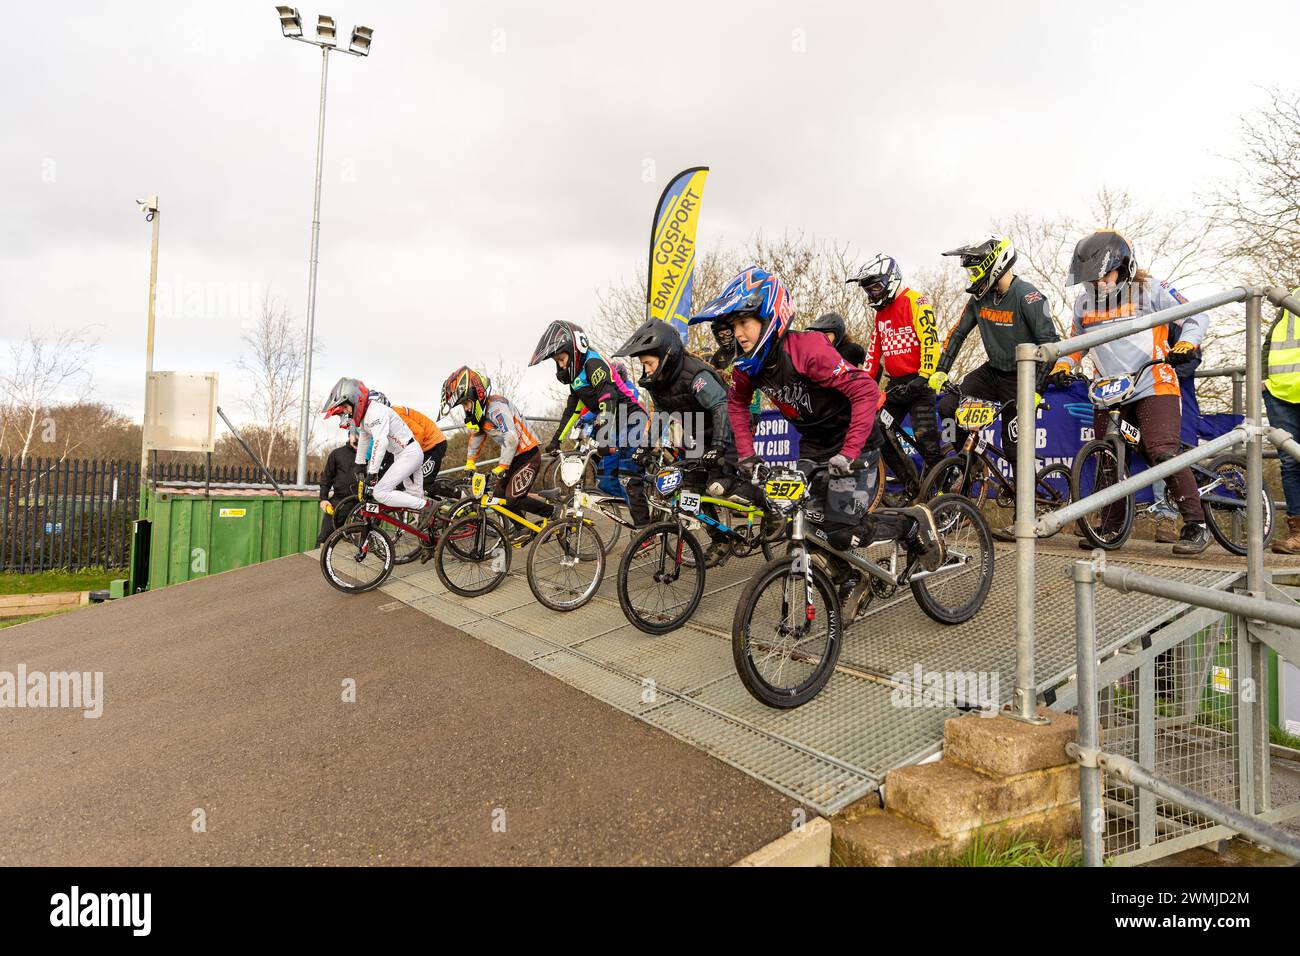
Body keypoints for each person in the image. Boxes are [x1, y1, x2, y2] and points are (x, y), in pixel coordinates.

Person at [690, 265, 942, 584]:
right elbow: (737, 404)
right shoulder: (746, 367)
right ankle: (849, 580)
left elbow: (865, 390)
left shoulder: (807, 350)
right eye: (733, 325)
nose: (738, 333)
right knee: (805, 523)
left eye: (744, 322)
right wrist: (747, 456)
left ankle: (911, 523)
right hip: (813, 445)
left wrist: (849, 453)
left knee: (842, 532)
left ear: (768, 316)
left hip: (855, 439)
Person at [1046, 230, 1210, 555]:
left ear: (1124, 267)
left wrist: (1187, 342)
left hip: (1153, 383)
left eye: (1103, 275)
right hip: (1110, 391)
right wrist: (1064, 364)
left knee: (1160, 450)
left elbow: (1198, 314)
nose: (1097, 284)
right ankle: (1111, 526)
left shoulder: (1151, 290)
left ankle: (1196, 524)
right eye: (1090, 279)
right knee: (1110, 455)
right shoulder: (1083, 304)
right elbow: (1075, 342)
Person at [930, 234, 1060, 541]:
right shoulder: (979, 299)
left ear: (996, 267)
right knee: (949, 405)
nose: (972, 278)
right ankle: (969, 465)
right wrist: (939, 371)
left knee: (1015, 445)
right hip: (993, 371)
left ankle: (1024, 518)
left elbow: (1052, 345)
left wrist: (1036, 387)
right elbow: (957, 335)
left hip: (1023, 376)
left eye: (976, 271)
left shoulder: (1028, 296)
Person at [615, 317, 743, 565]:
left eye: (649, 363)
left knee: (718, 486)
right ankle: (722, 539)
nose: (647, 370)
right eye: (643, 365)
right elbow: (662, 415)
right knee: (690, 491)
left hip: (730, 430)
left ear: (666, 355)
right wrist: (644, 447)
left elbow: (720, 406)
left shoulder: (694, 374)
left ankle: (771, 512)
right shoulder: (658, 383)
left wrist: (718, 445)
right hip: (701, 437)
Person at [529, 320, 652, 525]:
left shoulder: (593, 363)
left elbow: (608, 399)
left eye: (561, 359)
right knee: (606, 479)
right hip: (614, 425)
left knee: (627, 474)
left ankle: (646, 529)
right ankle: (641, 495)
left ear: (574, 350)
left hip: (631, 419)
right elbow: (571, 412)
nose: (560, 365)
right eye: (557, 362)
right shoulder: (577, 378)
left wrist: (603, 437)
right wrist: (556, 441)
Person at [848, 254, 946, 495]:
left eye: (876, 287)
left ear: (891, 281)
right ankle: (914, 485)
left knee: (926, 441)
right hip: (897, 386)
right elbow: (873, 354)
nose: (872, 294)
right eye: (868, 290)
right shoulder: (880, 314)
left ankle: (944, 495)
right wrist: (861, 386)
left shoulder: (915, 300)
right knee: (878, 429)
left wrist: (924, 375)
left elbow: (931, 341)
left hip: (921, 382)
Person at [440, 366, 551, 535]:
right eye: (463, 406)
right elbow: (476, 436)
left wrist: (502, 466)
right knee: (497, 498)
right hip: (513, 458)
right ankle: (524, 529)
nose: (466, 409)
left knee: (514, 499)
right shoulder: (480, 413)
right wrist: (470, 462)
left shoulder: (496, 407)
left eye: (466, 403)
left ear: (477, 395)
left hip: (527, 455)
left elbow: (511, 438)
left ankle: (553, 513)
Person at [321, 377, 438, 527]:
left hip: (409, 454)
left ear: (354, 400)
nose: (344, 413)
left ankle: (428, 506)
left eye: (344, 408)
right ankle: (432, 536)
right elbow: (364, 438)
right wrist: (359, 464)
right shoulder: (365, 418)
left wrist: (373, 473)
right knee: (416, 506)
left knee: (380, 492)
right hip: (404, 454)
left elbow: (380, 442)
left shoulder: (376, 412)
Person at [1264, 288, 1300, 554]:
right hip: (1280, 392)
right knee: (1290, 462)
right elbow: (1269, 342)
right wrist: (1264, 378)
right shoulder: (1291, 296)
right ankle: (1298, 533)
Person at [316, 425, 363, 544]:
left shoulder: (371, 454)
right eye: (356, 438)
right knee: (325, 538)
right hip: (340, 501)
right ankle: (320, 560)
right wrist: (323, 499)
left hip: (363, 503)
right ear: (350, 435)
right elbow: (326, 479)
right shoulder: (337, 454)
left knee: (364, 541)